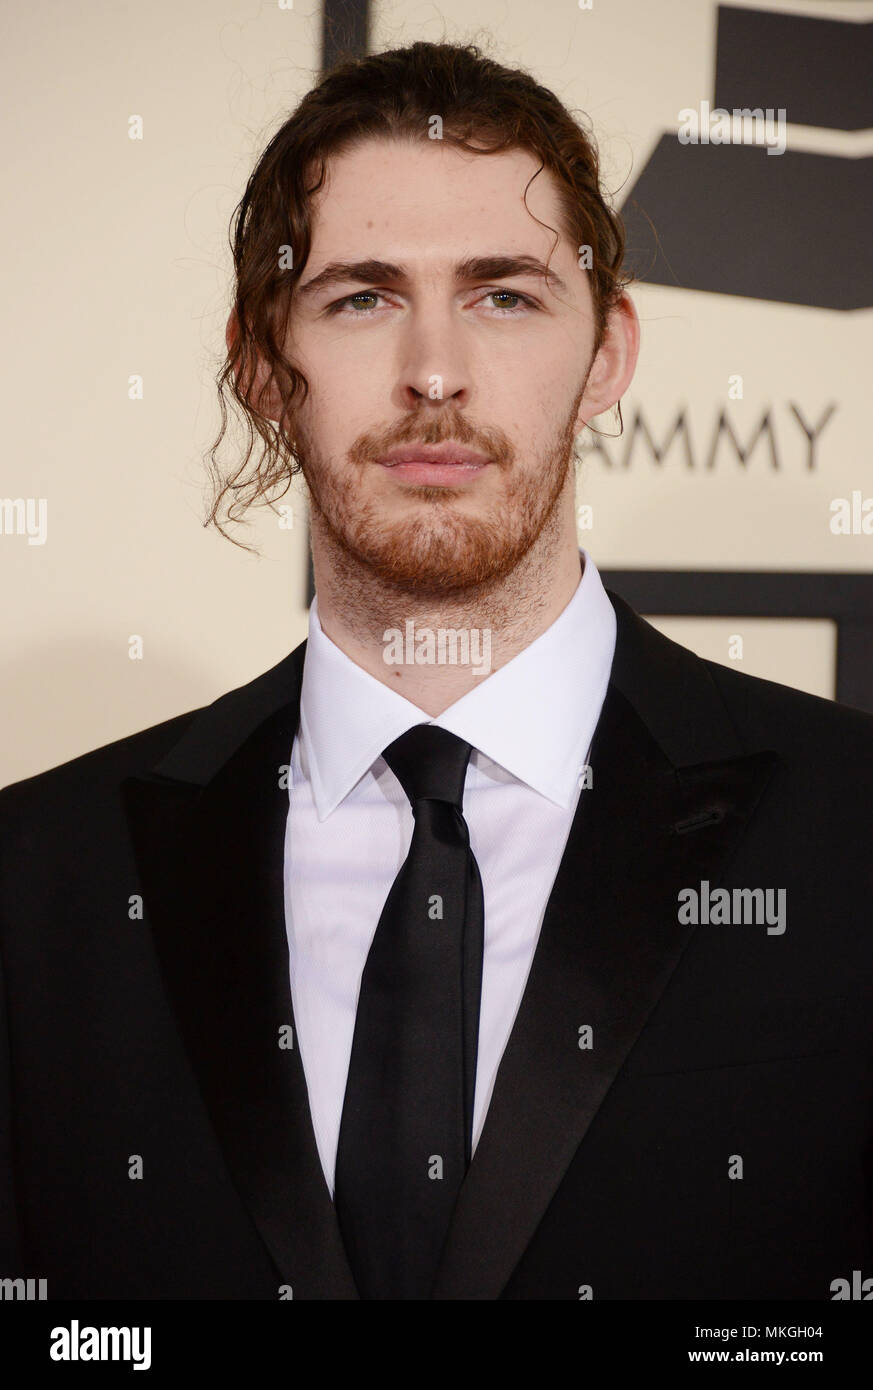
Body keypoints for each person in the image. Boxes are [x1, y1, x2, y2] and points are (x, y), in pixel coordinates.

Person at [1, 40, 871, 1302]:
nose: (434, 372)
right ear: (260, 364)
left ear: (608, 355)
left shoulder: (852, 832)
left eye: (504, 294)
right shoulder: (42, 882)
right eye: (360, 296)